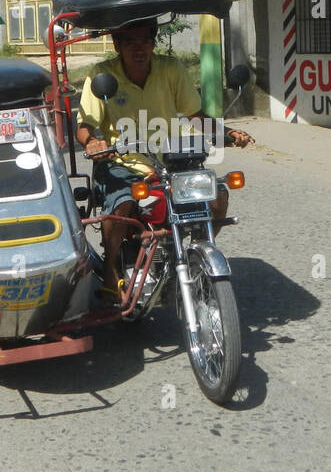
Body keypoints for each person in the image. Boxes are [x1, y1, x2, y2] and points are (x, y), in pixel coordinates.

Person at [75, 19, 253, 299]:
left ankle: (196, 253)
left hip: (172, 160)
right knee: (122, 204)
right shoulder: (102, 75)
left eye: (145, 40)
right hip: (123, 162)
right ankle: (111, 269)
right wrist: (93, 141)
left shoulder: (170, 69)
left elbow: (195, 116)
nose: (139, 48)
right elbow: (84, 125)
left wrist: (228, 133)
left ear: (153, 43)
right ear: (117, 45)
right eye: (130, 42)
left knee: (217, 196)